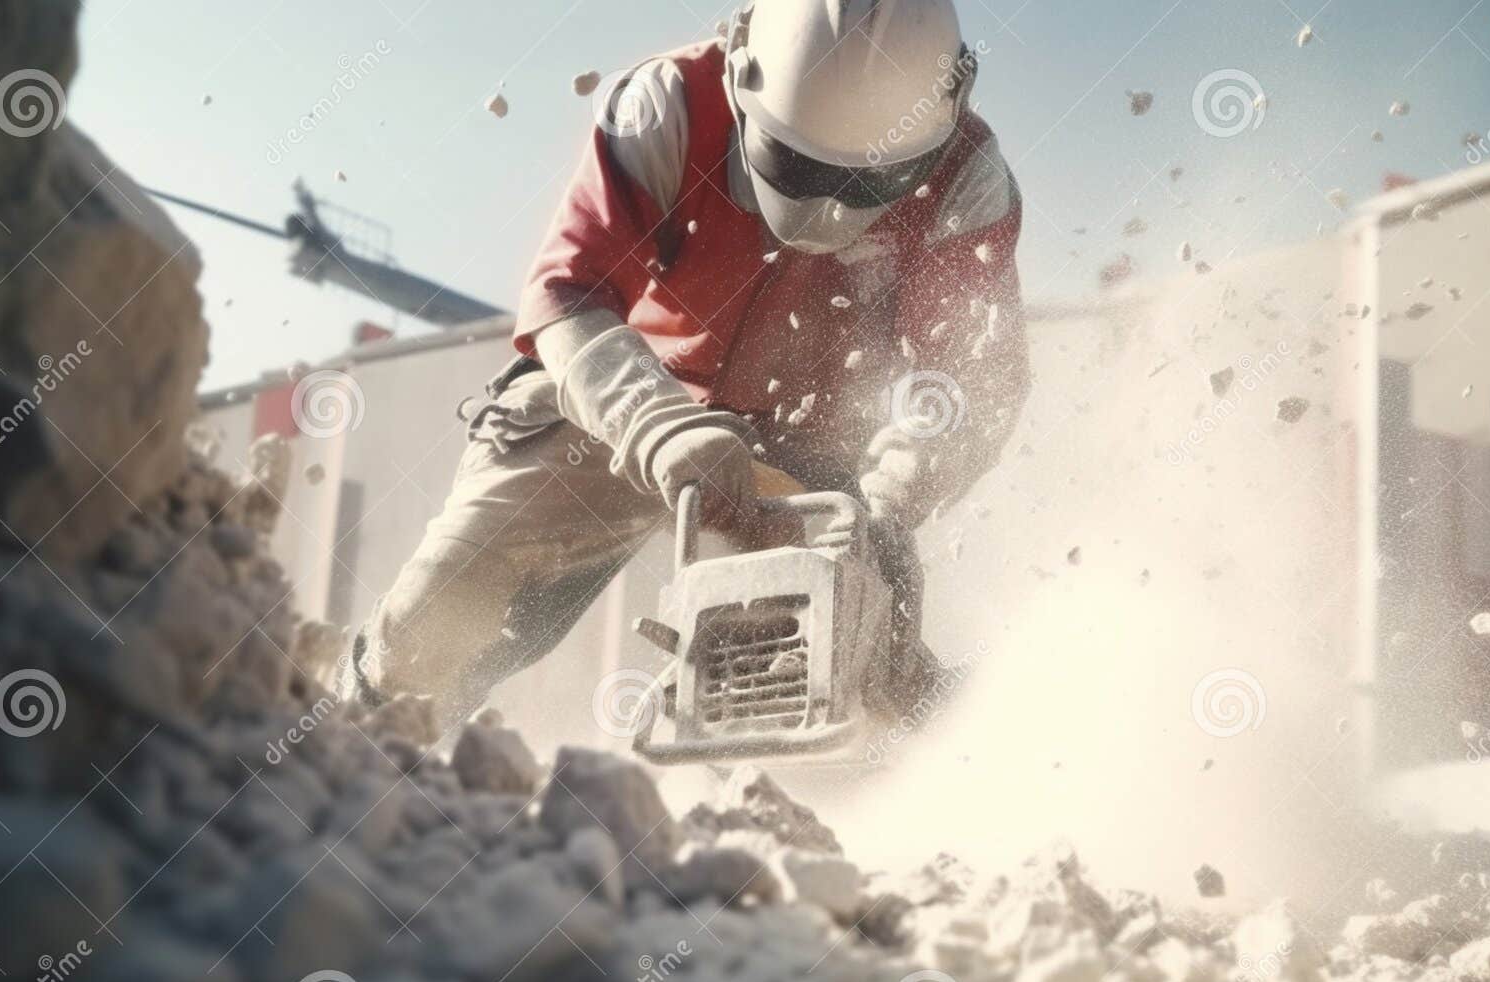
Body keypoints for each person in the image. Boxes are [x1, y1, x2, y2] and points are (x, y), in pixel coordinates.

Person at [353, 0, 1030, 725]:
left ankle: (831, 800)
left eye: (867, 187)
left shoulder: (968, 182)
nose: (826, 215)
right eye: (794, 166)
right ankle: (361, 743)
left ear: (940, 125)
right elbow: (567, 294)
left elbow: (970, 380)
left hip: (811, 451)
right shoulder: (666, 107)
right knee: (445, 606)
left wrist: (894, 501)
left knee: (857, 660)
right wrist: (656, 426)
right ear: (742, 81)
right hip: (623, 399)